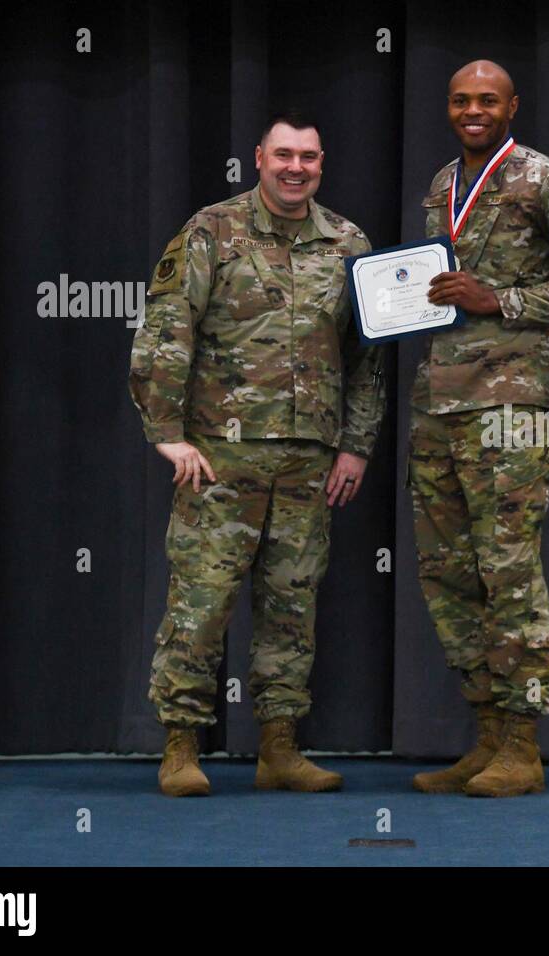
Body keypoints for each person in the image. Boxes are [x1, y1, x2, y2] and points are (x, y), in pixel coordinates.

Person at [129, 112, 385, 797]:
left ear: (321, 164)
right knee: (201, 601)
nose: (294, 167)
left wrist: (355, 447)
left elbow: (367, 361)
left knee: (291, 606)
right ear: (259, 159)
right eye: (283, 156)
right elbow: (165, 330)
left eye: (307, 156)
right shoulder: (212, 231)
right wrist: (166, 431)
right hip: (220, 456)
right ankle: (180, 748)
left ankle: (279, 748)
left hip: (310, 460)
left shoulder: (349, 243)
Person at [409, 60, 549, 797]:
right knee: (450, 575)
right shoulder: (440, 184)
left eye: (486, 101)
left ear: (511, 106)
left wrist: (504, 300)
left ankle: (523, 746)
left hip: (513, 408)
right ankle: (486, 735)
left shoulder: (545, 180)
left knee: (509, 572)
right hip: (439, 402)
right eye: (461, 99)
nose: (473, 110)